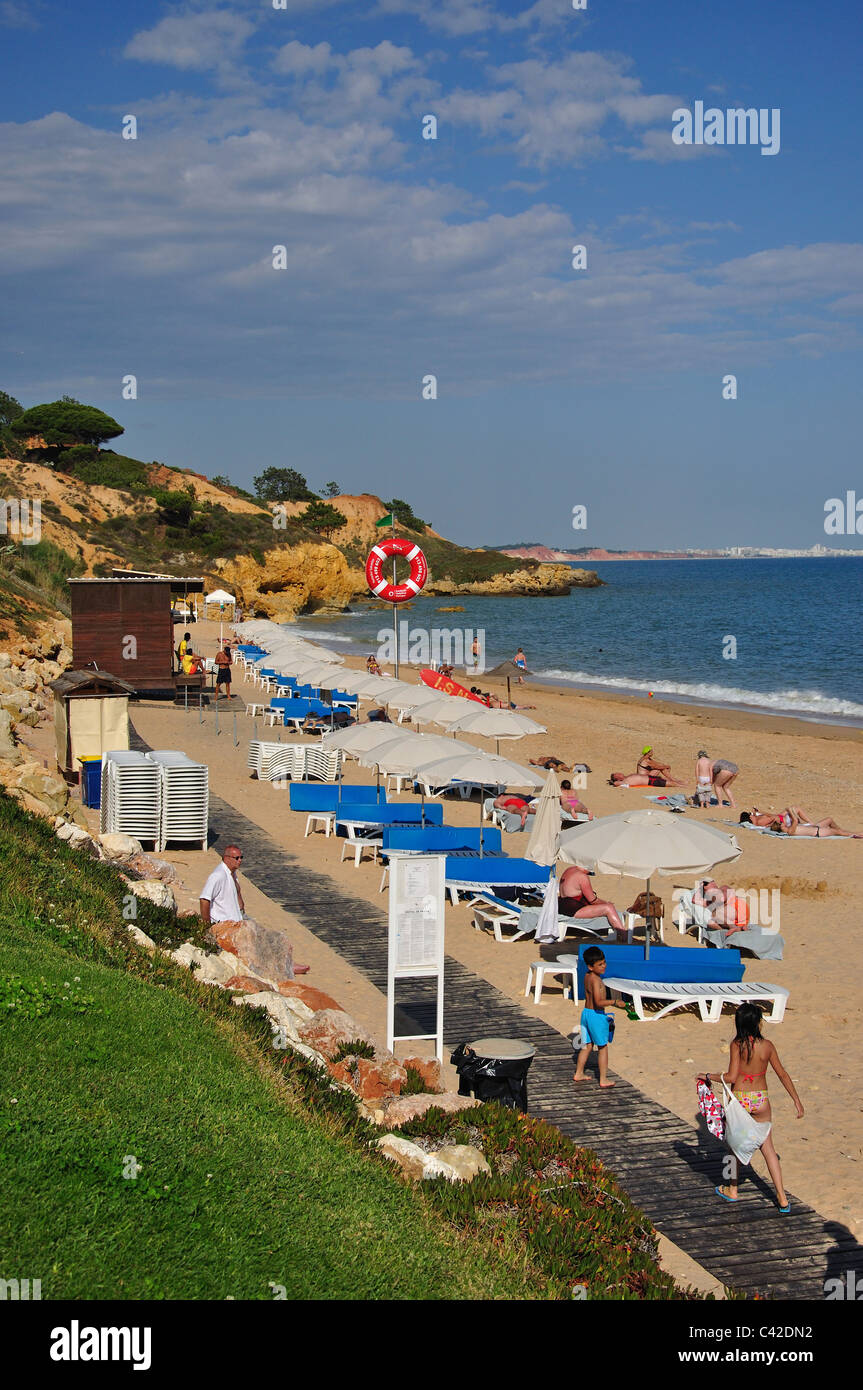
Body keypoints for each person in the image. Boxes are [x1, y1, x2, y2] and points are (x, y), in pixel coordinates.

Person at [698, 1002, 803, 1212]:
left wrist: (707, 1076)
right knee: (769, 1149)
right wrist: (796, 1100)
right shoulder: (767, 1046)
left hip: (741, 1100)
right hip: (760, 1099)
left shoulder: (737, 1045)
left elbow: (731, 1077)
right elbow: (782, 1073)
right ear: (758, 1023)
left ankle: (732, 1189)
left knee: (733, 1147)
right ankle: (782, 1198)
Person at [199, 846, 309, 974]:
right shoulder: (217, 875)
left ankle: (287, 963)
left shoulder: (232, 872)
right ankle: (286, 967)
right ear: (226, 858)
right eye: (236, 858)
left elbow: (236, 892)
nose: (240, 860)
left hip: (239, 919)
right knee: (261, 943)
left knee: (268, 937)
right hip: (227, 925)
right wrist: (206, 925)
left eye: (241, 857)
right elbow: (204, 899)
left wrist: (242, 909)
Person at [573, 947, 615, 1088]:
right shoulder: (596, 980)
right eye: (600, 964)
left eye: (604, 963)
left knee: (587, 1046)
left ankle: (579, 1073)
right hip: (596, 1015)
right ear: (591, 967)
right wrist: (614, 1002)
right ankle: (603, 1079)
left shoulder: (587, 976)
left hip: (586, 1013)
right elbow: (598, 1002)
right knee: (602, 1047)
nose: (604, 966)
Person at [558, 864, 625, 936]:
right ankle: (624, 935)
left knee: (607, 907)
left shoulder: (569, 870)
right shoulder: (582, 876)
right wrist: (606, 903)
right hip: (573, 909)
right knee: (609, 908)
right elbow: (592, 900)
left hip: (561, 906)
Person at [776, 807, 862, 838]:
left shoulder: (789, 829)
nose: (783, 822)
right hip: (818, 832)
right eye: (781, 823)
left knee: (829, 820)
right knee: (838, 832)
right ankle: (856, 834)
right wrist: (789, 811)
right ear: (781, 827)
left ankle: (846, 832)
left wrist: (790, 811)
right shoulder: (790, 831)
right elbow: (795, 820)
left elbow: (795, 819)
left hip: (814, 828)